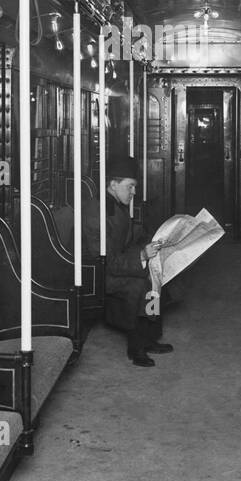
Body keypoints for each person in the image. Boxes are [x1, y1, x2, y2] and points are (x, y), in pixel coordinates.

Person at [80, 154, 173, 367]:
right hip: (97, 274)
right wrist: (141, 256)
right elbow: (107, 262)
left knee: (158, 273)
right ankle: (136, 347)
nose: (134, 192)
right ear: (113, 184)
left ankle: (150, 338)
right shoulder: (97, 213)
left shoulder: (113, 203)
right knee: (141, 284)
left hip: (112, 265)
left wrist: (154, 245)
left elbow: (126, 240)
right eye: (130, 186)